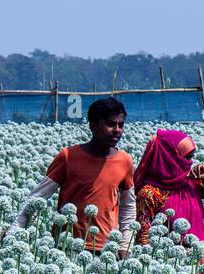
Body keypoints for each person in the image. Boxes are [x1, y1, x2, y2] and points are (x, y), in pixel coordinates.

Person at [12, 97, 135, 255]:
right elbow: (37, 198)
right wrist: (15, 232)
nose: (117, 130)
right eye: (110, 124)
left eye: (121, 125)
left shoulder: (125, 161)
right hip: (66, 245)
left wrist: (125, 246)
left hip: (106, 248)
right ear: (93, 126)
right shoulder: (68, 156)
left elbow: (128, 206)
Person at [133, 129, 204, 247]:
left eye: (191, 157)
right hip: (168, 262)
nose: (190, 163)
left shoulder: (191, 180)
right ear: (169, 158)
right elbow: (143, 238)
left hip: (199, 259)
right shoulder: (149, 194)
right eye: (187, 157)